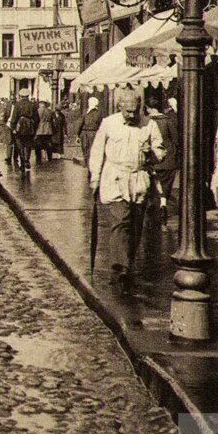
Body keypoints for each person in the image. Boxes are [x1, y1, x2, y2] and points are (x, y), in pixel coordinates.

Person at [88, 91, 164, 295]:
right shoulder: (109, 123)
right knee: (121, 220)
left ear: (139, 107)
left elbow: (161, 153)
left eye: (135, 111)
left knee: (137, 224)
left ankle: (128, 263)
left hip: (139, 179)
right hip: (115, 177)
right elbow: (97, 151)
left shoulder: (149, 124)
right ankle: (119, 267)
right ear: (119, 106)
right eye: (127, 111)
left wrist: (152, 152)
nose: (131, 115)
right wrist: (95, 177)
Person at [146, 96, 178, 223]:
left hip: (152, 158)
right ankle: (163, 204)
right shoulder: (168, 120)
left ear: (148, 109)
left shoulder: (146, 122)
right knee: (166, 182)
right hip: (168, 159)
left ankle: (154, 205)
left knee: (153, 182)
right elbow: (175, 139)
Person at [7, 89, 39, 175]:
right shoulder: (33, 105)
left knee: (19, 144)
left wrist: (13, 128)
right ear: (28, 95)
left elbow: (14, 117)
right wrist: (35, 128)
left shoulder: (17, 105)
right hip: (30, 127)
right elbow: (37, 118)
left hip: (19, 126)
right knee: (28, 144)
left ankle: (22, 162)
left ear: (20, 96)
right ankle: (27, 160)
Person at [78, 96, 102, 166]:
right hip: (94, 132)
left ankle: (87, 162)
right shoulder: (99, 112)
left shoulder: (86, 111)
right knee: (93, 148)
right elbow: (101, 124)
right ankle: (91, 163)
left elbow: (81, 123)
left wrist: (78, 134)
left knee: (85, 148)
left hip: (85, 132)